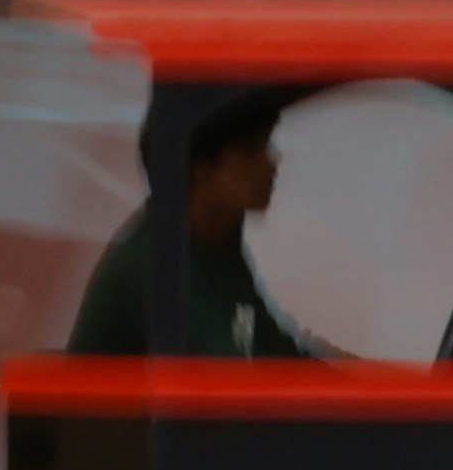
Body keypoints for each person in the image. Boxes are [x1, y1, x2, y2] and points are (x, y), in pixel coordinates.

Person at [66, 97, 323, 360]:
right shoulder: (159, 260)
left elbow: (266, 342)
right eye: (250, 150)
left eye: (266, 144)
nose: (272, 162)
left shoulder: (217, 239)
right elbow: (232, 373)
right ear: (200, 165)